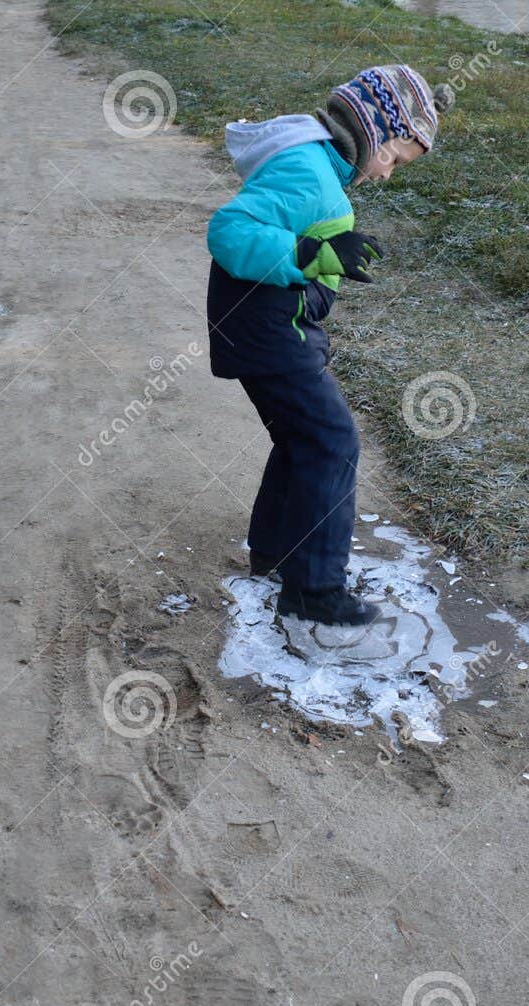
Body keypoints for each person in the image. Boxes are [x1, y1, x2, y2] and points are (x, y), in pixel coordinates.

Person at [206, 65, 453, 626]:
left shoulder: (317, 165)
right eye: (394, 156)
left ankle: (276, 555)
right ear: (371, 129)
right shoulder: (307, 172)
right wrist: (308, 257)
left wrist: (322, 261)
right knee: (333, 441)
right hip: (269, 330)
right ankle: (315, 591)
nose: (389, 173)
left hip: (272, 327)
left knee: (303, 438)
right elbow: (226, 232)